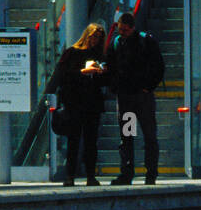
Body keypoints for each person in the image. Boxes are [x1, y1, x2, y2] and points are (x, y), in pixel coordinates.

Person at [104, 11, 164, 185]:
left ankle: (150, 173)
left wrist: (148, 87)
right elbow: (111, 66)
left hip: (140, 97)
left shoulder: (146, 41)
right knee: (128, 135)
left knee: (148, 135)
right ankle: (129, 172)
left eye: (125, 30)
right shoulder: (117, 43)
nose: (122, 33)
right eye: (120, 30)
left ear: (132, 28)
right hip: (128, 97)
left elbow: (158, 67)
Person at [50, 23, 107, 186]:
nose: (95, 40)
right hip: (74, 102)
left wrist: (101, 73)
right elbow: (62, 75)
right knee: (73, 140)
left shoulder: (99, 55)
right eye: (93, 37)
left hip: (92, 103)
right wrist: (83, 72)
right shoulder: (72, 53)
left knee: (91, 141)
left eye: (98, 38)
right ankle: (70, 176)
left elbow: (105, 80)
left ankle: (90, 175)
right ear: (87, 36)